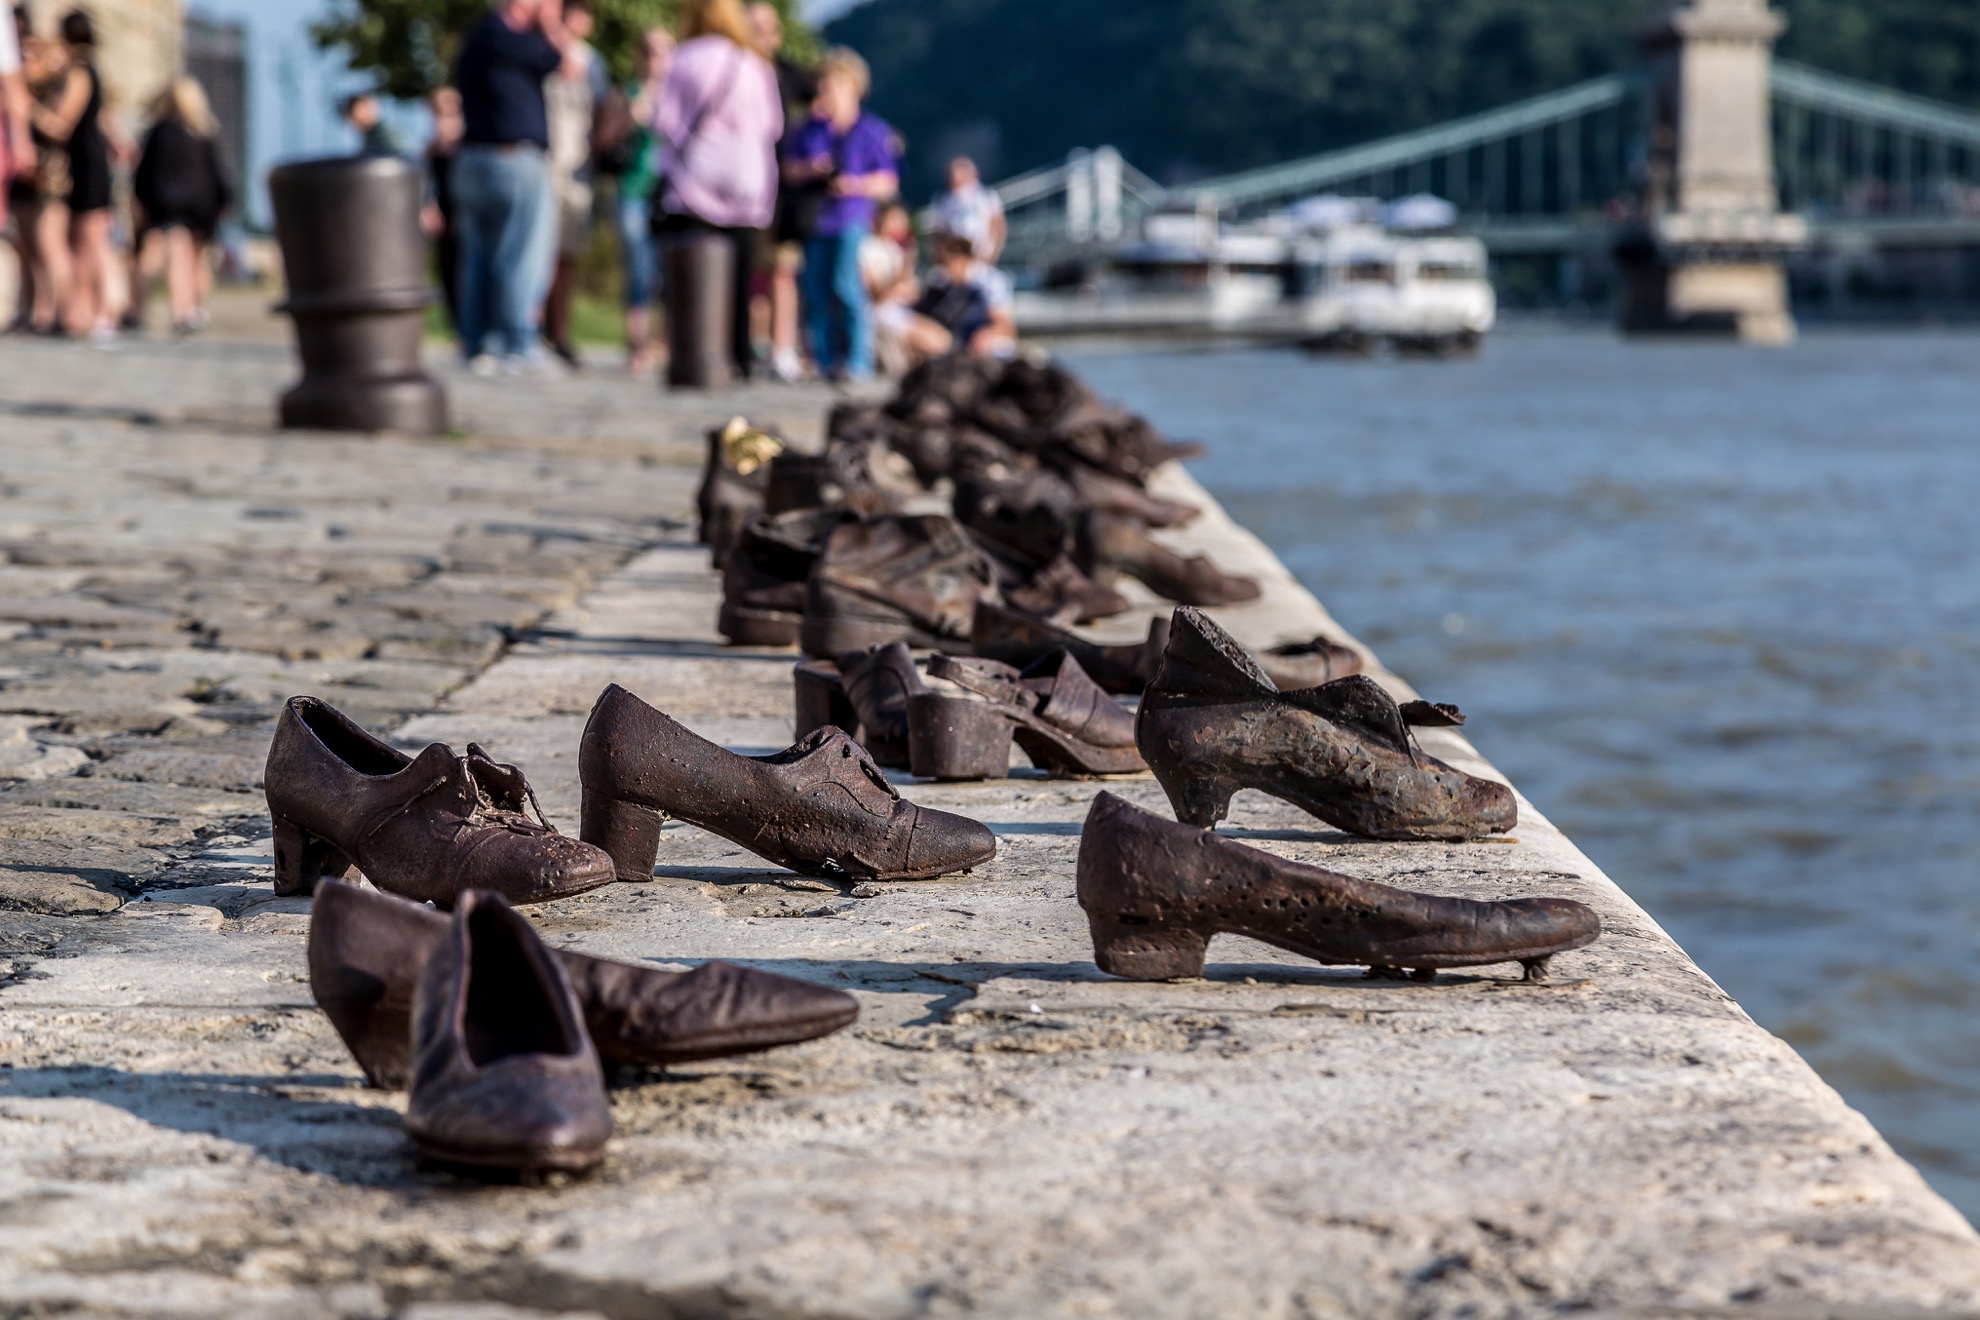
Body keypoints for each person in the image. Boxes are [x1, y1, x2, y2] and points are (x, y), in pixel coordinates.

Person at [451, 0, 585, 375]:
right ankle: (516, 343)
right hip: (514, 161)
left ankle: (478, 344)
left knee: (478, 257)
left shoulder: (477, 37)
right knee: (522, 256)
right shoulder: (512, 37)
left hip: (472, 160)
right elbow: (568, 64)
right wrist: (552, 23)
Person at [650, 0, 781, 381]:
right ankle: (739, 357)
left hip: (697, 174)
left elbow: (667, 124)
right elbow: (772, 126)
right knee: (741, 271)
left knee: (690, 265)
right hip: (747, 176)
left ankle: (692, 353)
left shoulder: (685, 58)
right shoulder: (755, 63)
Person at [783, 47, 896, 381]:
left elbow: (888, 182)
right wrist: (811, 169)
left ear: (853, 87)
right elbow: (788, 169)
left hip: (851, 216)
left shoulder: (872, 130)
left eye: (831, 85)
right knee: (815, 289)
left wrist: (855, 185)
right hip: (816, 217)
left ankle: (858, 362)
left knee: (846, 285)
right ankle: (825, 360)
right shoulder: (810, 128)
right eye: (822, 85)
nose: (824, 92)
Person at [132, 77, 231, 335]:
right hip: (202, 203)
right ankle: (195, 308)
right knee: (197, 258)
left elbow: (145, 172)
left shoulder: (159, 130)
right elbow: (218, 171)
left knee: (175, 257)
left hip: (169, 201)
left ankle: (180, 311)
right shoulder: (206, 130)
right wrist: (224, 200)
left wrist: (141, 199)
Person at [539, 0, 608, 368]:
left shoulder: (593, 62)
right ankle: (530, 328)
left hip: (578, 167)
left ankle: (559, 332)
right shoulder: (541, 50)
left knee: (568, 255)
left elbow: (602, 110)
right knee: (538, 253)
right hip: (544, 163)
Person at [34, 10, 111, 341]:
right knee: (85, 242)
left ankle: (91, 312)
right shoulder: (92, 69)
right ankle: (83, 312)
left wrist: (30, 109)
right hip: (88, 160)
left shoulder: (81, 71)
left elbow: (64, 122)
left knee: (88, 243)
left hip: (86, 163)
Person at [748, 1, 813, 381]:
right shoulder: (733, 69)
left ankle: (783, 349)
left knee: (783, 271)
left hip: (784, 188)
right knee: (746, 271)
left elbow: (826, 103)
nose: (760, 35)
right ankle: (747, 344)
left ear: (778, 33)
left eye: (766, 27)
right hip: (742, 186)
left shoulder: (790, 74)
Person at [608, 26, 670, 376]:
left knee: (667, 270)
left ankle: (663, 343)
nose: (654, 58)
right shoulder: (627, 91)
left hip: (670, 192)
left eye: (661, 50)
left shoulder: (681, 92)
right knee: (639, 267)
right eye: (648, 50)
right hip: (632, 189)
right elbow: (603, 142)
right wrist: (626, 120)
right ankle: (638, 346)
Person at [860, 200, 947, 375]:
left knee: (941, 342)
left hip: (900, 310)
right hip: (879, 313)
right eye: (894, 220)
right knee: (936, 342)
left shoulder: (895, 249)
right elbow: (875, 291)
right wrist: (902, 272)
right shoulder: (867, 247)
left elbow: (912, 291)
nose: (899, 225)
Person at [916, 230, 1016, 358]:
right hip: (952, 341)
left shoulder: (989, 281)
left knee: (994, 346)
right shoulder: (940, 281)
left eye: (942, 258)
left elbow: (1005, 327)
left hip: (981, 343)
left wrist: (986, 334)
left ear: (957, 253)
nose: (937, 261)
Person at [421, 86, 465, 332]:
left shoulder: (468, 139)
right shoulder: (431, 145)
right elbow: (428, 183)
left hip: (466, 210)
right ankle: (457, 327)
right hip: (443, 213)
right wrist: (428, 207)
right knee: (447, 269)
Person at [931, 155, 1005, 263]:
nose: (955, 176)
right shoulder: (941, 199)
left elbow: (998, 225)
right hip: (956, 257)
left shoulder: (987, 195)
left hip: (982, 255)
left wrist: (992, 253)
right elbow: (939, 230)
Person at [341, 92, 405, 157]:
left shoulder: (386, 134)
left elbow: (399, 160)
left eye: (353, 114)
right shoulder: (369, 137)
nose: (351, 121)